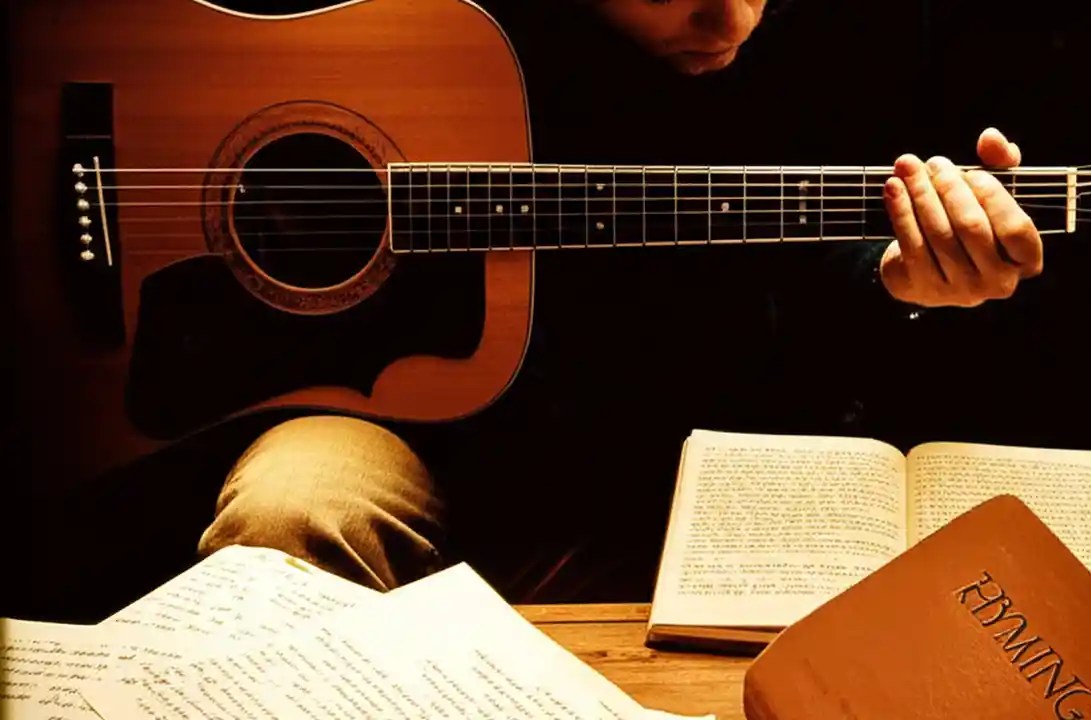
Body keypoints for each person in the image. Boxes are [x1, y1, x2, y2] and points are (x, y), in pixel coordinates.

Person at [195, 0, 1044, 599]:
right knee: (291, 511)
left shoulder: (820, 38)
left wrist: (897, 273)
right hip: (388, 417)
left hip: (655, 443)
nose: (731, 22)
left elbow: (810, 261)